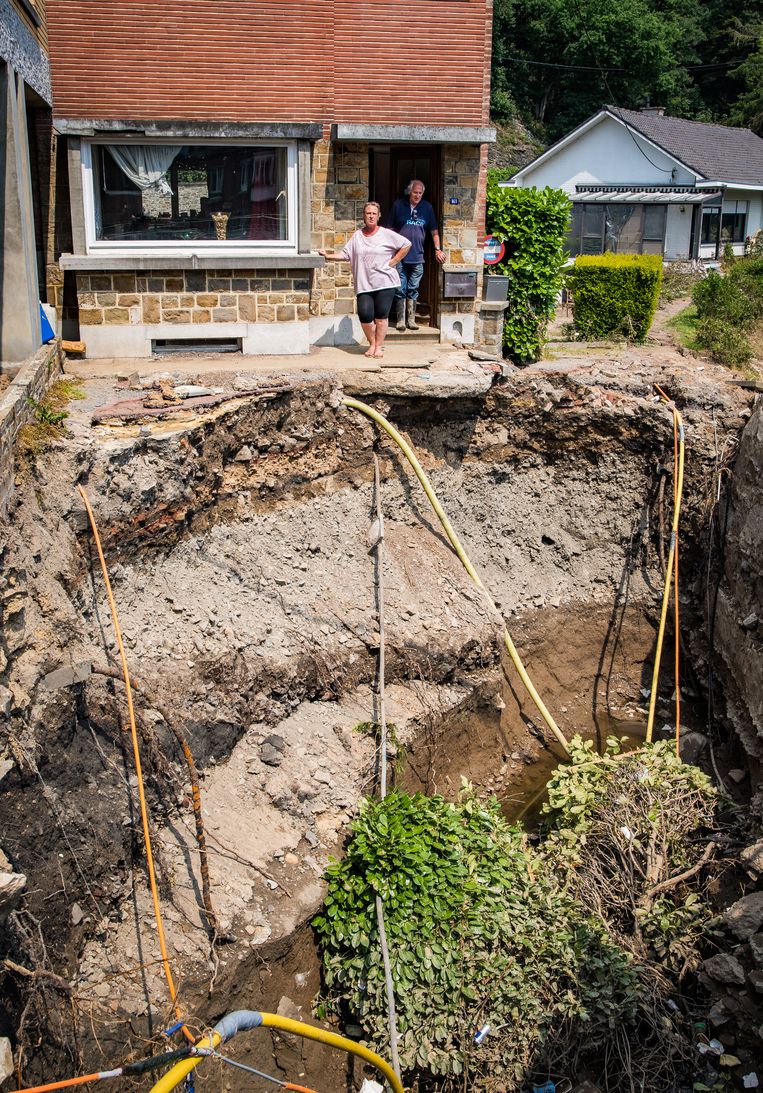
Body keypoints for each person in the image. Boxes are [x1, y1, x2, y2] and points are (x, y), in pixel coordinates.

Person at [319, 202, 411, 358]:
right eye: (368, 213)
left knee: (381, 317)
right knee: (365, 316)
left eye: (374, 213)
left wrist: (394, 261)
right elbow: (345, 254)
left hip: (384, 281)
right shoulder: (357, 236)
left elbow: (406, 244)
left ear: (379, 215)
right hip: (364, 283)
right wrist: (328, 256)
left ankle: (378, 346)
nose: (371, 216)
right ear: (364, 215)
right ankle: (372, 343)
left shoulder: (386, 233)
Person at [384, 179, 445, 331]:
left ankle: (411, 320)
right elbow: (389, 229)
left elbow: (434, 231)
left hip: (418, 256)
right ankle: (400, 320)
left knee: (413, 288)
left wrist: (438, 249)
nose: (417, 195)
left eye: (420, 193)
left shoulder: (427, 207)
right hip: (400, 256)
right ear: (409, 192)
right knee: (400, 288)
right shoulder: (398, 205)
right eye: (415, 192)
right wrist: (389, 251)